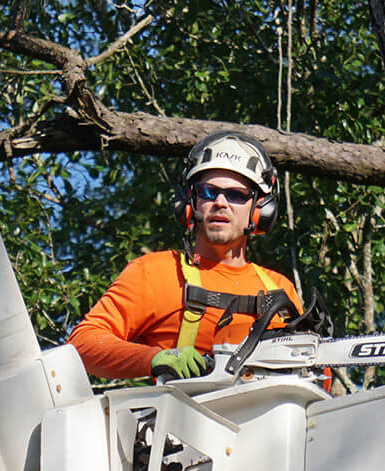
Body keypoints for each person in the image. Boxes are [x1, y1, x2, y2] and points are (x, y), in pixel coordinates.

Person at [70, 131, 302, 381]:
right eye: (209, 192)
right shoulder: (156, 271)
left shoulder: (279, 290)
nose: (221, 203)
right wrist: (153, 359)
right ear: (190, 202)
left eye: (236, 195)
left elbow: (318, 373)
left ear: (260, 209)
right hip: (183, 415)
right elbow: (83, 343)